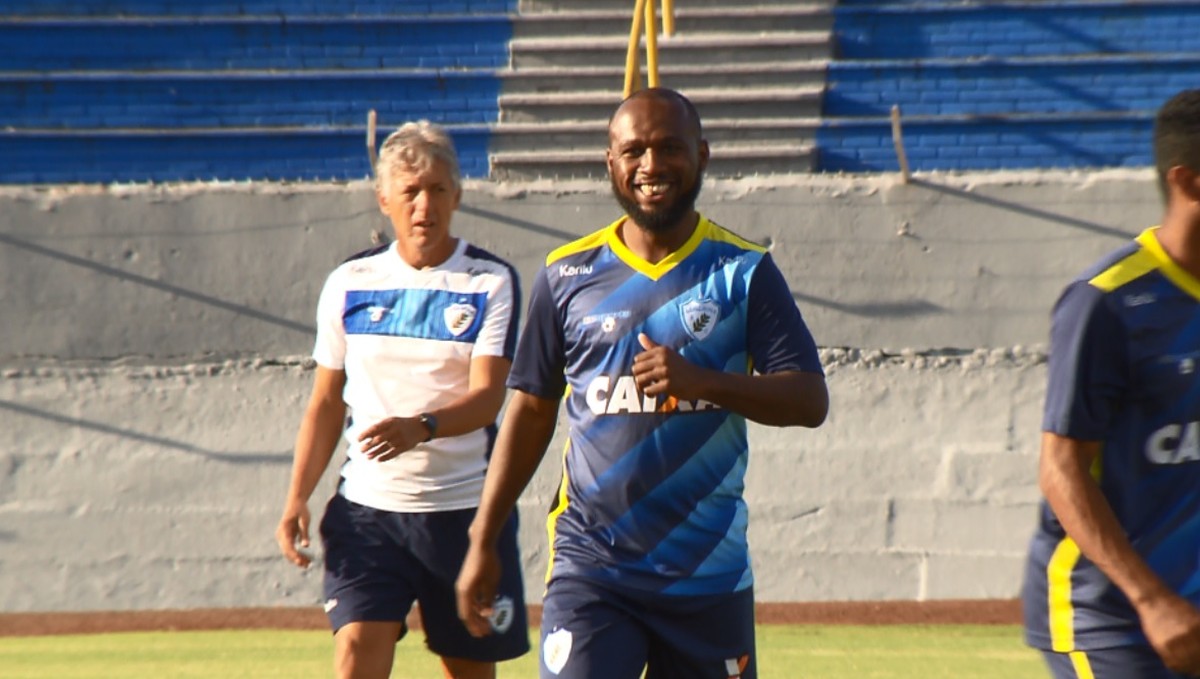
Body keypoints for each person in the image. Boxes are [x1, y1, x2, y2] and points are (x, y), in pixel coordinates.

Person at [454, 87, 829, 679]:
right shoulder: (567, 275)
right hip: (592, 571)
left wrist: (703, 381)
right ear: (611, 162)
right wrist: (483, 537)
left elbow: (809, 399)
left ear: (702, 155)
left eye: (670, 148)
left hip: (707, 575)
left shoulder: (743, 271)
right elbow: (529, 411)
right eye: (634, 151)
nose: (651, 166)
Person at [274, 120, 529, 679]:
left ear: (457, 196)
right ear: (384, 198)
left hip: (462, 514)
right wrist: (297, 497)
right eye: (410, 191)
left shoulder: (489, 281)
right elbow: (325, 403)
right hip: (368, 513)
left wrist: (422, 426)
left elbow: (488, 398)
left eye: (437, 189)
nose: (424, 205)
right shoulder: (349, 281)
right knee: (356, 652)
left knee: (468, 669)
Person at [1022, 88, 1200, 679]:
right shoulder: (1108, 303)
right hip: (1110, 617)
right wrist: (1153, 601)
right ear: (1189, 182)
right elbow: (1061, 469)